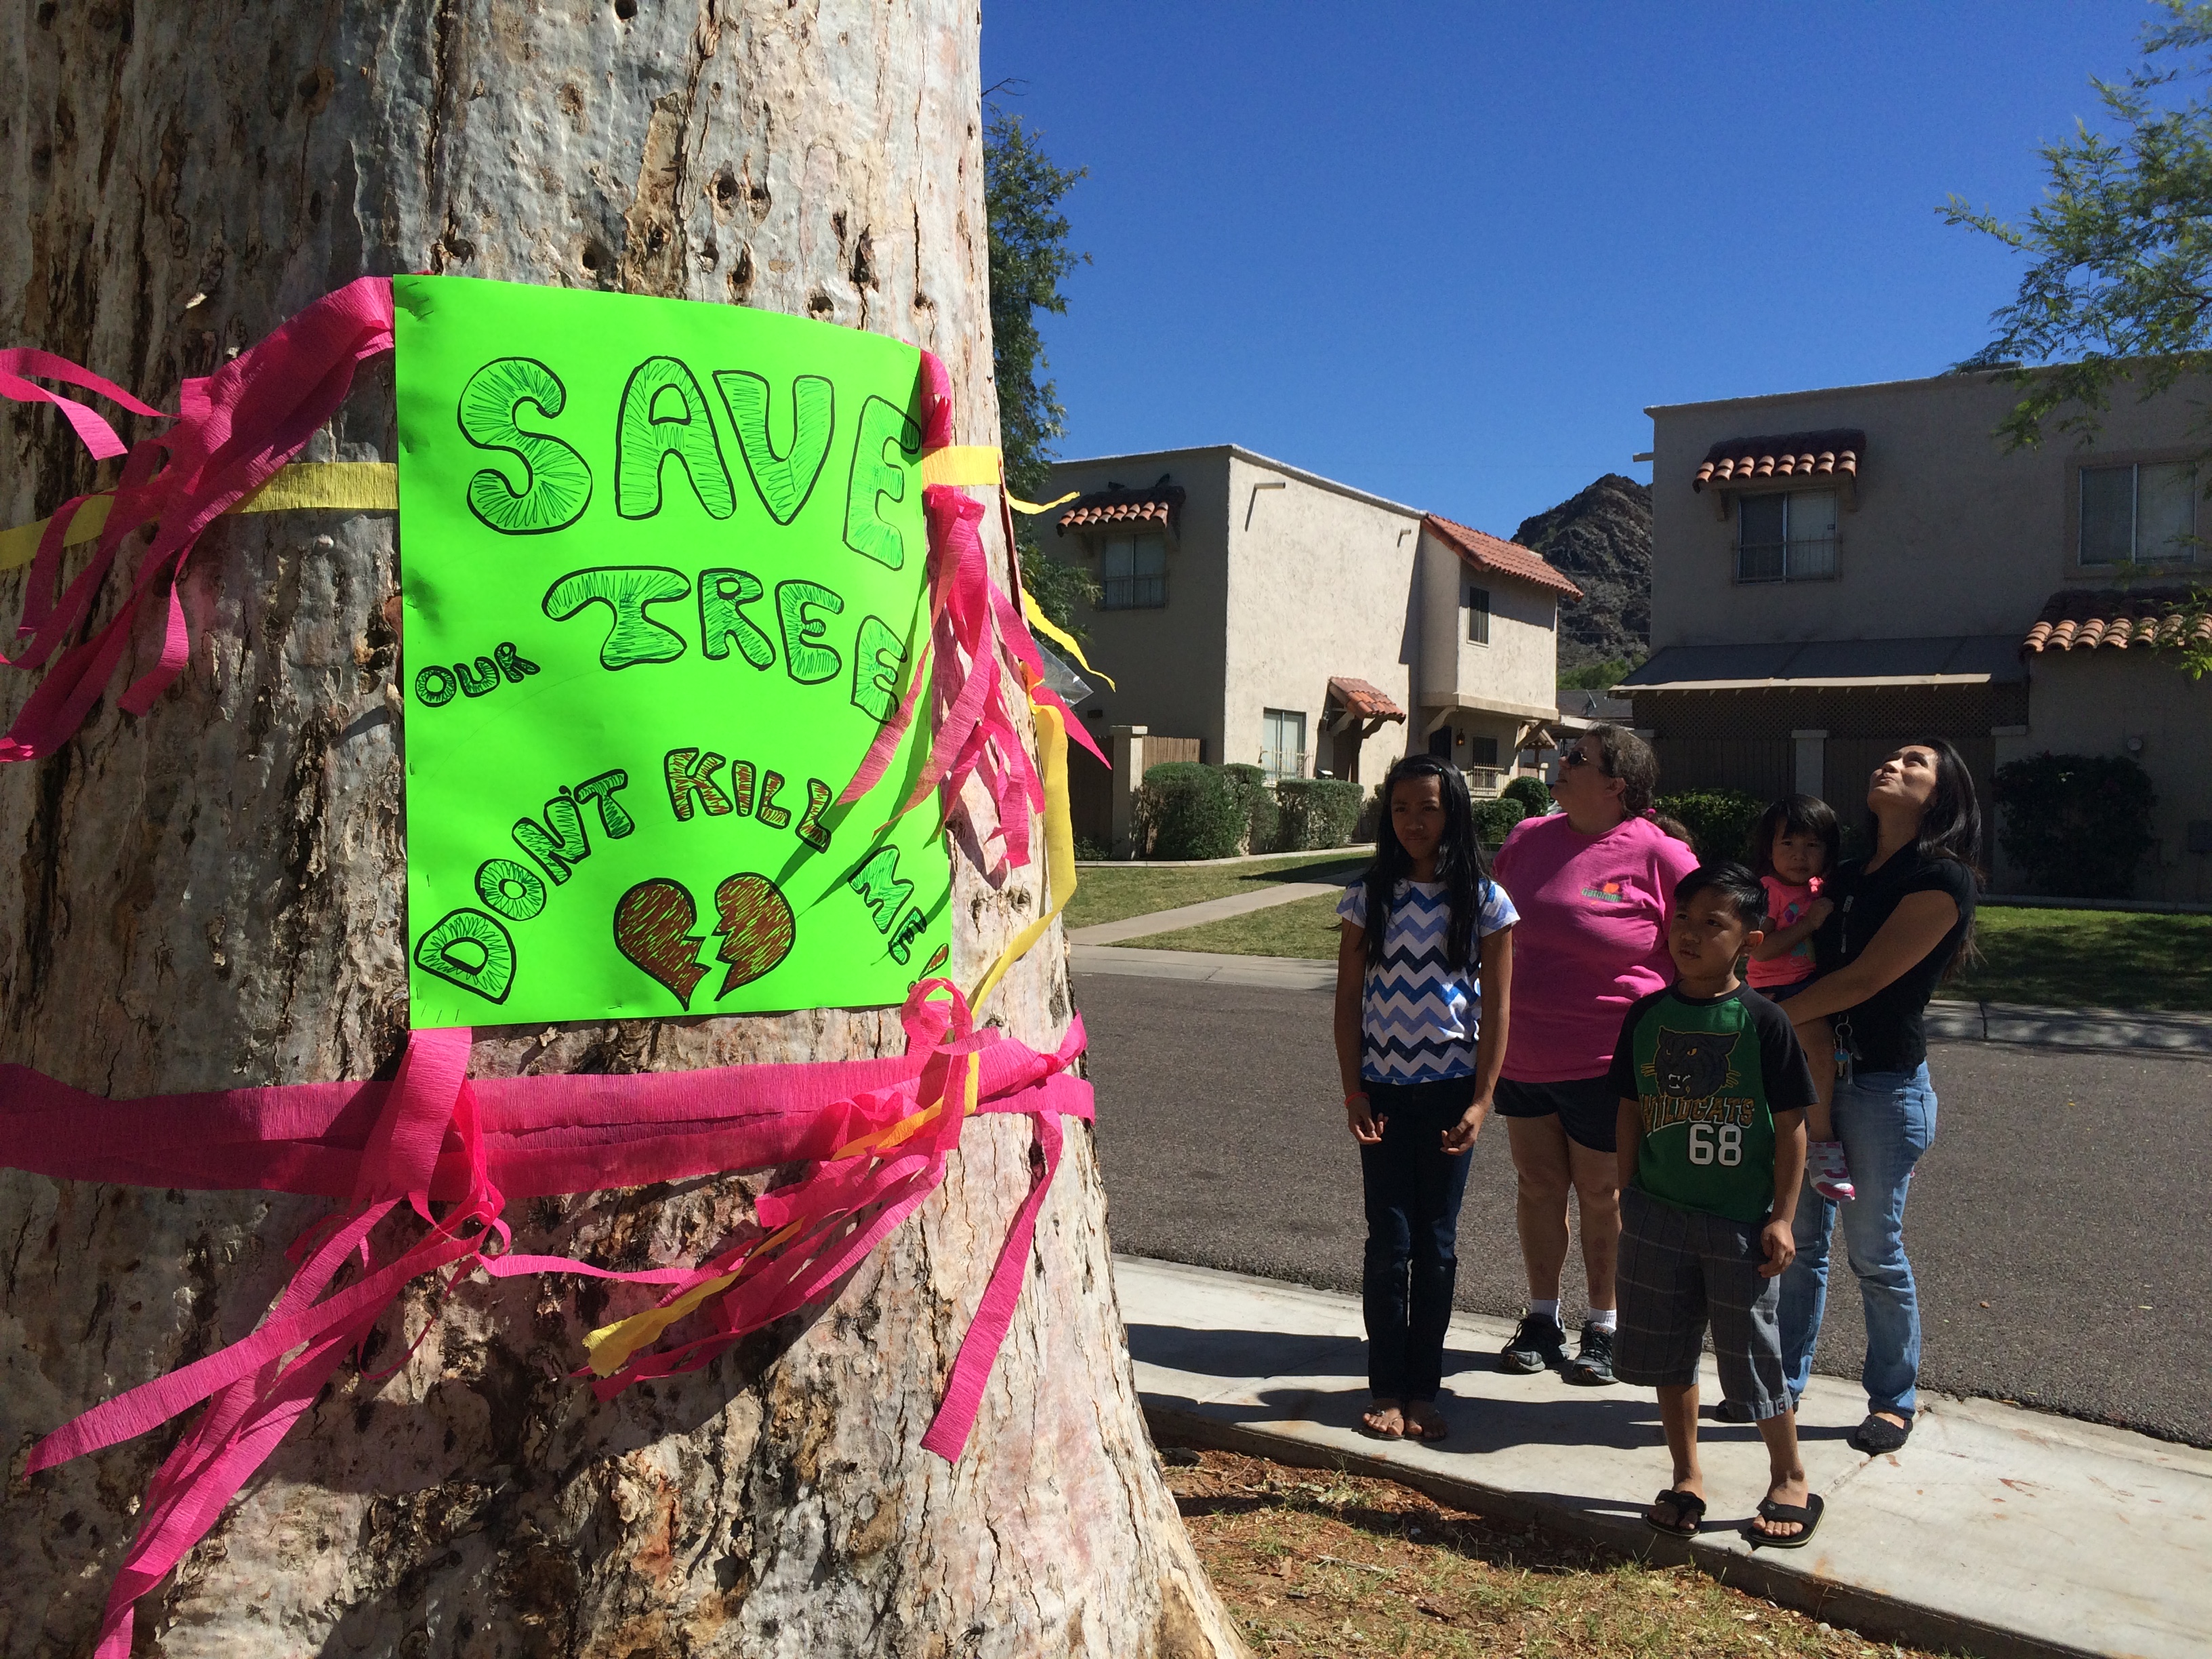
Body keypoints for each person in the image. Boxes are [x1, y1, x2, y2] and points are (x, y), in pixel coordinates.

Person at [1767, 741, 1982, 1456]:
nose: (1891, 764)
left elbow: (1863, 982)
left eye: (1915, 763)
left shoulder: (1941, 879)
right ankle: (1783, 1386)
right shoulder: (1847, 875)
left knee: (1875, 1253)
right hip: (1814, 1079)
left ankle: (1892, 1398)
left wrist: (1767, 1016)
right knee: (1797, 1246)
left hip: (1885, 1088)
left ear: (1941, 794)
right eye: (1886, 757)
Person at [1611, 862, 1822, 1547]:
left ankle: (1789, 1474)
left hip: (1738, 1222)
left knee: (1752, 1355)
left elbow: (1792, 1125)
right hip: (1658, 1213)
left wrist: (1782, 1216)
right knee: (1669, 1354)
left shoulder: (1763, 1023)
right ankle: (1686, 1475)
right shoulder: (1646, 1016)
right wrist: (1627, 1190)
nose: (1691, 935)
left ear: (1750, 942)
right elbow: (1630, 1108)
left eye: (1713, 924)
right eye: (1682, 921)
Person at [1489, 724, 1700, 1385]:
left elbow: (1703, 952)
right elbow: (1491, 928)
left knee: (1605, 1195)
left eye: (1575, 758)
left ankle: (1605, 1327)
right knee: (1538, 1187)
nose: (1560, 763)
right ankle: (1543, 1319)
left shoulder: (1660, 855)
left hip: (1612, 1064)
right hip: (1521, 1054)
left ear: (1616, 785)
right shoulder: (1527, 840)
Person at [1335, 754, 1518, 1443]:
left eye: (1430, 807)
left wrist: (1481, 1100)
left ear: (1456, 812)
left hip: (1450, 1094)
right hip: (1381, 1093)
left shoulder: (1484, 901)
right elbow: (1349, 1000)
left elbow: (1498, 1010)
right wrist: (1354, 1089)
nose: (1415, 821)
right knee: (1389, 1243)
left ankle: (1423, 1388)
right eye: (1403, 808)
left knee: (1436, 1245)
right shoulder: (1368, 896)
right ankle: (1386, 1386)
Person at [1746, 794, 1850, 1202]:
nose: (1799, 855)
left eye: (1812, 845)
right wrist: (1809, 923)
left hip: (1807, 982)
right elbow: (1762, 950)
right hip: (1780, 988)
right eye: (1787, 844)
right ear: (1768, 849)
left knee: (1812, 1060)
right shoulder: (1766, 892)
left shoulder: (1817, 887)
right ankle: (1822, 1144)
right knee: (1820, 1052)